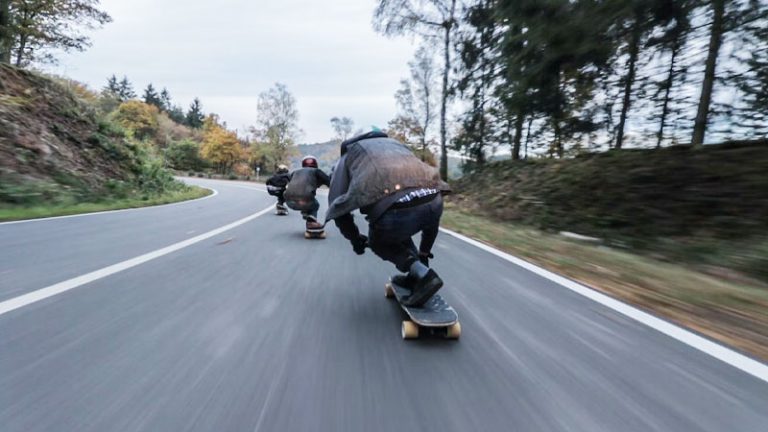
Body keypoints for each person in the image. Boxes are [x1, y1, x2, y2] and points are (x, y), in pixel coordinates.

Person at [325, 131, 451, 307]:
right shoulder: (398, 147)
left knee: (379, 242)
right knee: (406, 223)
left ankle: (424, 276)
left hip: (396, 211)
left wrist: (355, 239)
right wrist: (424, 252)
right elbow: (431, 215)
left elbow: (338, 207)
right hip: (434, 200)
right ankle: (417, 271)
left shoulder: (348, 155)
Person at [284, 155, 331, 232]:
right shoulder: (316, 171)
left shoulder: (295, 172)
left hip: (289, 201)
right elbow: (330, 183)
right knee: (315, 204)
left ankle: (306, 213)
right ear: (315, 164)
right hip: (306, 200)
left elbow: (291, 184)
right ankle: (311, 222)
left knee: (306, 199)